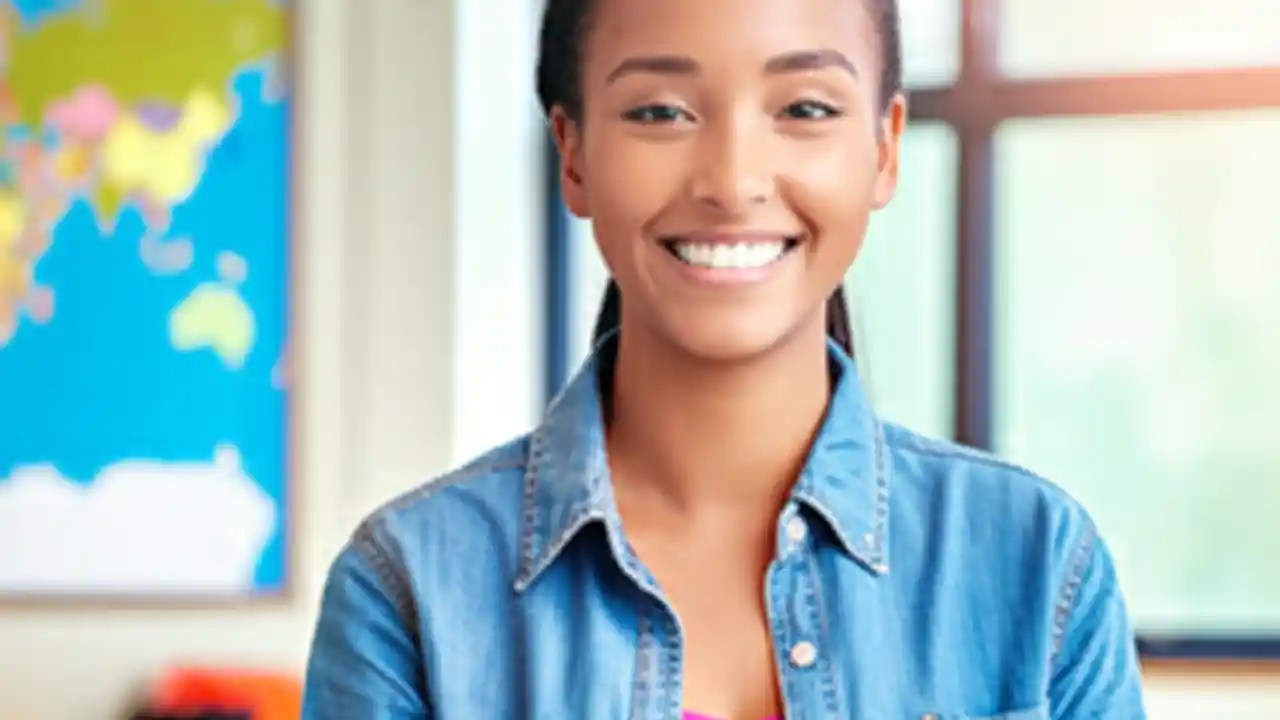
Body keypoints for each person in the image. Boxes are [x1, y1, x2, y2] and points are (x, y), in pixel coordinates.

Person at [301, 0, 1147, 717]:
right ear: (574, 152)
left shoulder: (1037, 565)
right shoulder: (408, 591)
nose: (733, 180)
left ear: (885, 147)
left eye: (805, 109)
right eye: (661, 111)